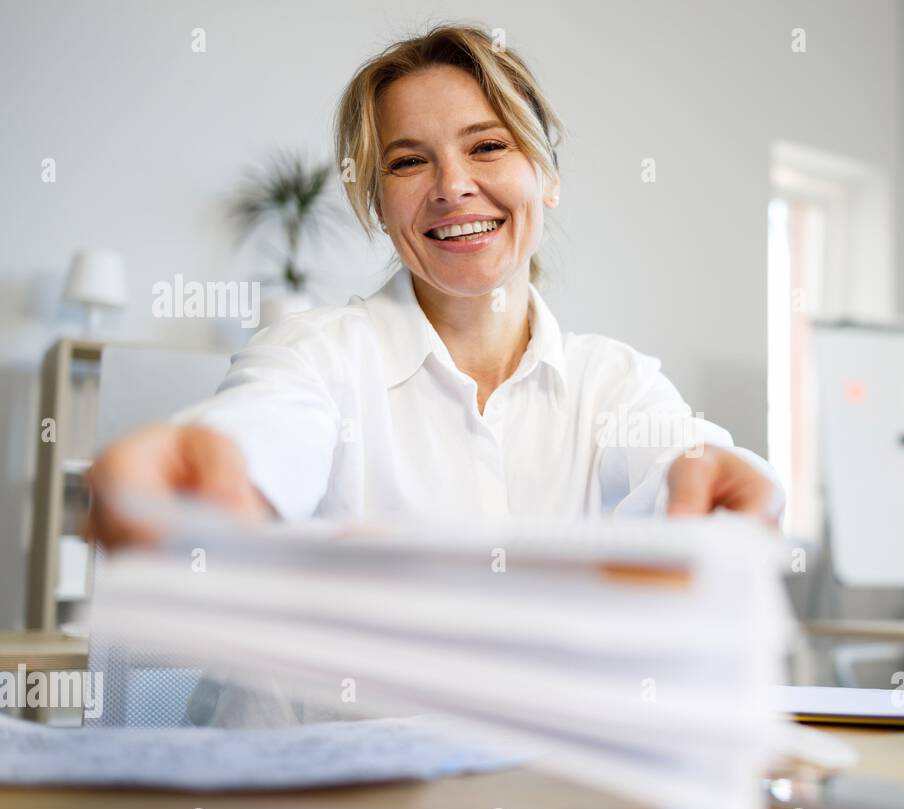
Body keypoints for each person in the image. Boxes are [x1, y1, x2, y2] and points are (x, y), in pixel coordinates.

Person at [85, 23, 781, 552]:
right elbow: (265, 426)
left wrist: (720, 475)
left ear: (548, 176)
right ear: (379, 206)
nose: (452, 187)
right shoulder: (314, 357)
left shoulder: (615, 384)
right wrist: (218, 465)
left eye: (487, 146)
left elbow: (686, 458)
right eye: (410, 161)